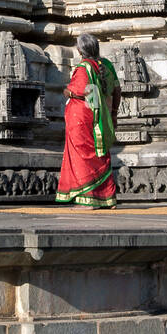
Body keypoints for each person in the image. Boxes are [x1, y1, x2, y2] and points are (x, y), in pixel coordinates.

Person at [56, 32, 121, 209]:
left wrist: (66, 92)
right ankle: (107, 198)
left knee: (83, 157)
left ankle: (89, 200)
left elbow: (80, 91)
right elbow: (117, 90)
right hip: (103, 118)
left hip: (84, 119)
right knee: (100, 155)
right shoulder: (106, 65)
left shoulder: (84, 67)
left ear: (80, 50)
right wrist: (114, 113)